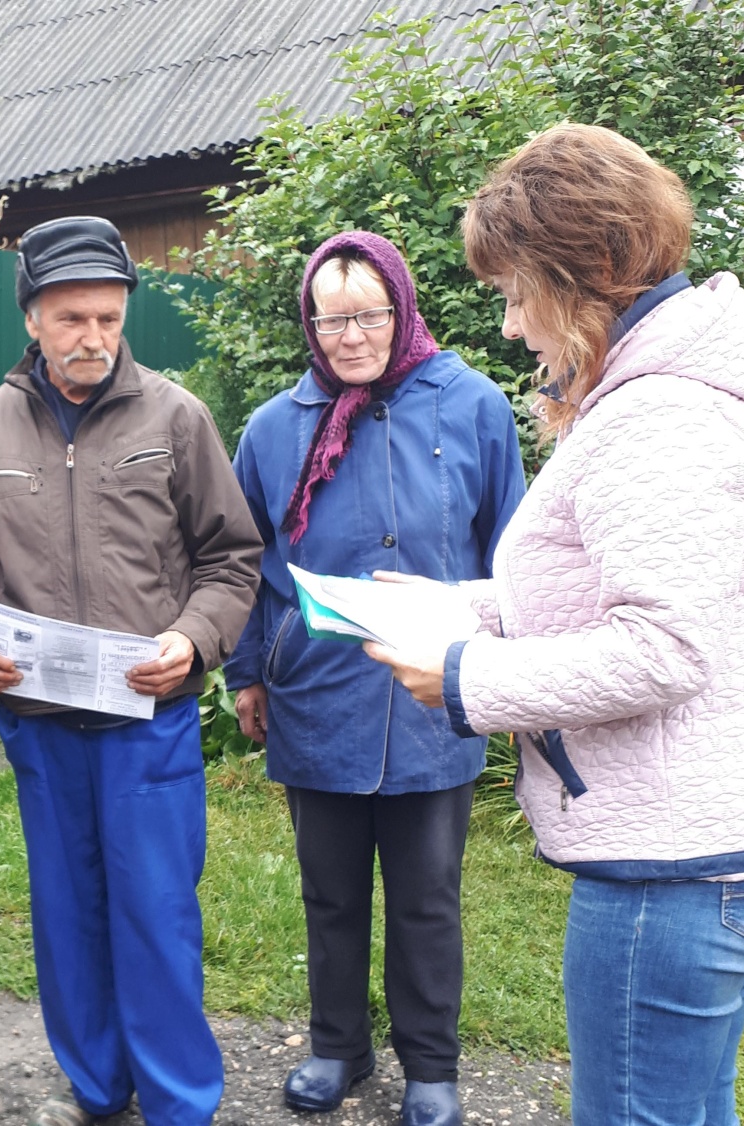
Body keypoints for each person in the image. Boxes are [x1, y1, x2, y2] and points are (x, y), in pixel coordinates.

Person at [369, 123, 744, 1125]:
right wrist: (448, 610)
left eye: (517, 290)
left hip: (677, 868)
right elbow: (588, 595)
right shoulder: (650, 397)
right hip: (712, 840)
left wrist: (467, 679)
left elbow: (663, 648)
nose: (512, 325)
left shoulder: (661, 417)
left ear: (593, 273)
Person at [0, 215, 263, 1126]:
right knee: (68, 918)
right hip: (38, 725)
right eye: (73, 320)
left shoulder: (176, 418)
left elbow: (233, 561)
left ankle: (181, 1104)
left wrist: (193, 641)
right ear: (32, 317)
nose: (94, 340)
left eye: (110, 319)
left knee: (156, 918)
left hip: (149, 724)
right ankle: (98, 1087)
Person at [226, 231, 524, 1126]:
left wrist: (501, 665)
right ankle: (337, 1048)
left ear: (401, 306)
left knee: (429, 896)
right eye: (332, 319)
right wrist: (250, 671)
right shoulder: (276, 427)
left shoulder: (471, 405)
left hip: (435, 693)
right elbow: (245, 562)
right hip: (315, 692)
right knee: (331, 889)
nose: (351, 336)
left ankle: (431, 1065)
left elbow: (514, 550)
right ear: (309, 323)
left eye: (368, 315)